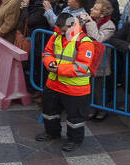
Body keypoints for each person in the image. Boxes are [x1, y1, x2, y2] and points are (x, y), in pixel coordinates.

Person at [36, 9, 100, 144]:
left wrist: (57, 68)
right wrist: (50, 63)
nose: (62, 33)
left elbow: (81, 68)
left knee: (75, 118)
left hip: (75, 89)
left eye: (65, 31)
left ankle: (74, 140)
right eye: (60, 30)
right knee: (49, 112)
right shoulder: (56, 35)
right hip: (54, 84)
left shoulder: (85, 42)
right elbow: (47, 53)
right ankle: (52, 133)